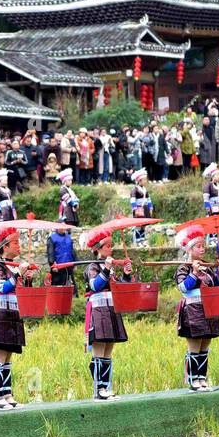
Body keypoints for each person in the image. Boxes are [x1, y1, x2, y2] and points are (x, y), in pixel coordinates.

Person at [80, 225, 133, 400]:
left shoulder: (108, 267)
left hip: (111, 311)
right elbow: (95, 285)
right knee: (99, 349)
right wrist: (106, 269)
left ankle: (107, 387)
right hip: (97, 312)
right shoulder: (92, 267)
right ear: (97, 249)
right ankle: (98, 388)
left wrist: (126, 275)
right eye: (107, 246)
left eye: (111, 246)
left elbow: (120, 289)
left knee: (108, 350)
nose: (111, 249)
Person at [0, 224, 34, 409]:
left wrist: (27, 277)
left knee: (8, 357)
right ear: (5, 246)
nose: (18, 246)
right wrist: (17, 275)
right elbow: (3, 287)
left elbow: (23, 291)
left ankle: (7, 394)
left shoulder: (13, 267)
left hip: (13, 313)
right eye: (15, 243)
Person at [174, 224, 219, 392]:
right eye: (198, 246)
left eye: (203, 245)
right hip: (192, 311)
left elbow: (216, 286)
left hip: (209, 310)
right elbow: (183, 288)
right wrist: (194, 273)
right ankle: (192, 379)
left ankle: (202, 378)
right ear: (190, 249)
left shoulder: (207, 266)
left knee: (205, 345)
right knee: (194, 346)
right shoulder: (183, 267)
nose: (202, 249)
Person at [46, 224, 76, 289]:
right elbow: (50, 252)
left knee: (69, 284)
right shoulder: (52, 238)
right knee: (57, 287)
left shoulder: (69, 238)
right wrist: (52, 263)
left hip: (68, 266)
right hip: (58, 266)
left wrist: (75, 262)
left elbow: (72, 250)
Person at [129, 169, 152, 247]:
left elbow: (149, 199)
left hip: (145, 209)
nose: (145, 181)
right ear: (139, 180)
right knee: (138, 225)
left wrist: (150, 207)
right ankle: (138, 240)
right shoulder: (134, 190)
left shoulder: (145, 190)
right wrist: (134, 209)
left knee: (144, 225)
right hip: (138, 209)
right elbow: (132, 200)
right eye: (144, 179)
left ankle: (142, 239)